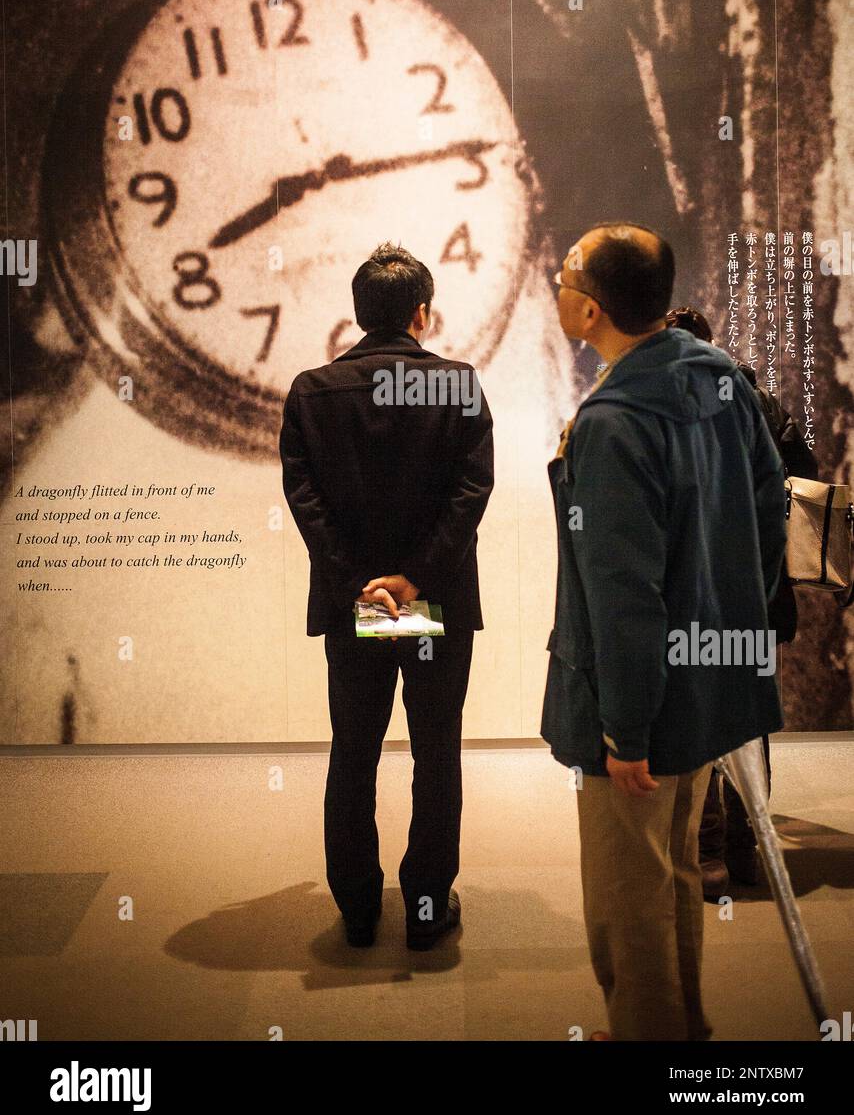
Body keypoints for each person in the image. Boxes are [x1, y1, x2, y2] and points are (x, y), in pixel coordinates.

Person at [541, 223, 787, 1041]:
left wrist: (625, 727)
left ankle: (650, 1033)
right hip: (704, 689)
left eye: (567, 273)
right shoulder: (718, 379)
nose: (557, 280)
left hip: (640, 704)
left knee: (628, 896)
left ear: (592, 308)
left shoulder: (613, 424)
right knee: (675, 871)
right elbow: (768, 517)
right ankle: (683, 1032)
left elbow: (623, 597)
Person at [280, 242, 494, 950]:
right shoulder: (458, 386)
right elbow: (470, 493)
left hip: (354, 605)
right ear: (422, 314)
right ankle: (427, 910)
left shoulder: (313, 391)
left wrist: (361, 585)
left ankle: (360, 909)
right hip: (433, 607)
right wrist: (416, 579)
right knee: (437, 752)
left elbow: (305, 498)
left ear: (357, 314)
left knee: (354, 751)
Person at [665, 306, 818, 895]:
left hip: (696, 597)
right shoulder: (761, 402)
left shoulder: (666, 410)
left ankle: (708, 856)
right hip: (755, 593)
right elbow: (804, 480)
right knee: (748, 719)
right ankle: (747, 844)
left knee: (700, 722)